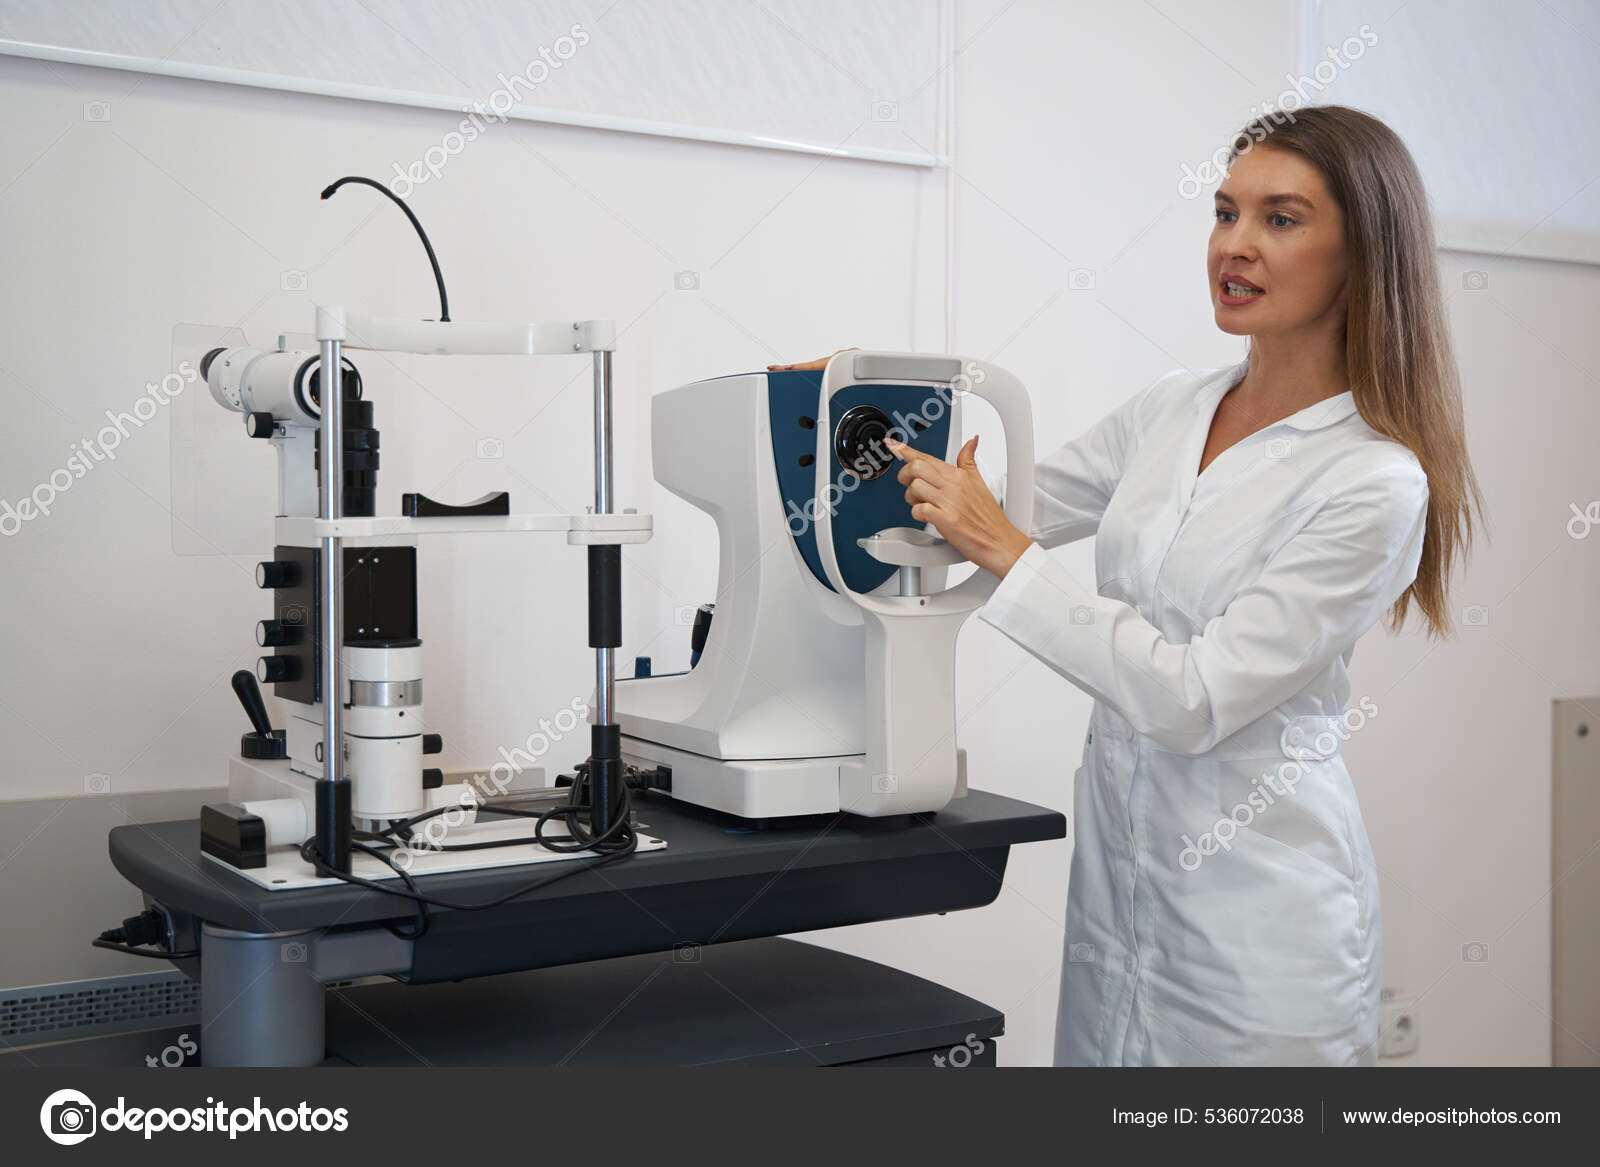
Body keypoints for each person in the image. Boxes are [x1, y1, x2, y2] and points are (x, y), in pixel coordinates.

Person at [767, 105, 1484, 1066]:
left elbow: (1193, 699)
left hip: (1260, 933)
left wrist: (1002, 548)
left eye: (1280, 219)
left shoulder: (1374, 482)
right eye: (1225, 213)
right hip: (1120, 903)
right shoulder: (1174, 407)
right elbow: (978, 521)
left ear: (1364, 253)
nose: (1234, 245)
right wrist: (856, 406)